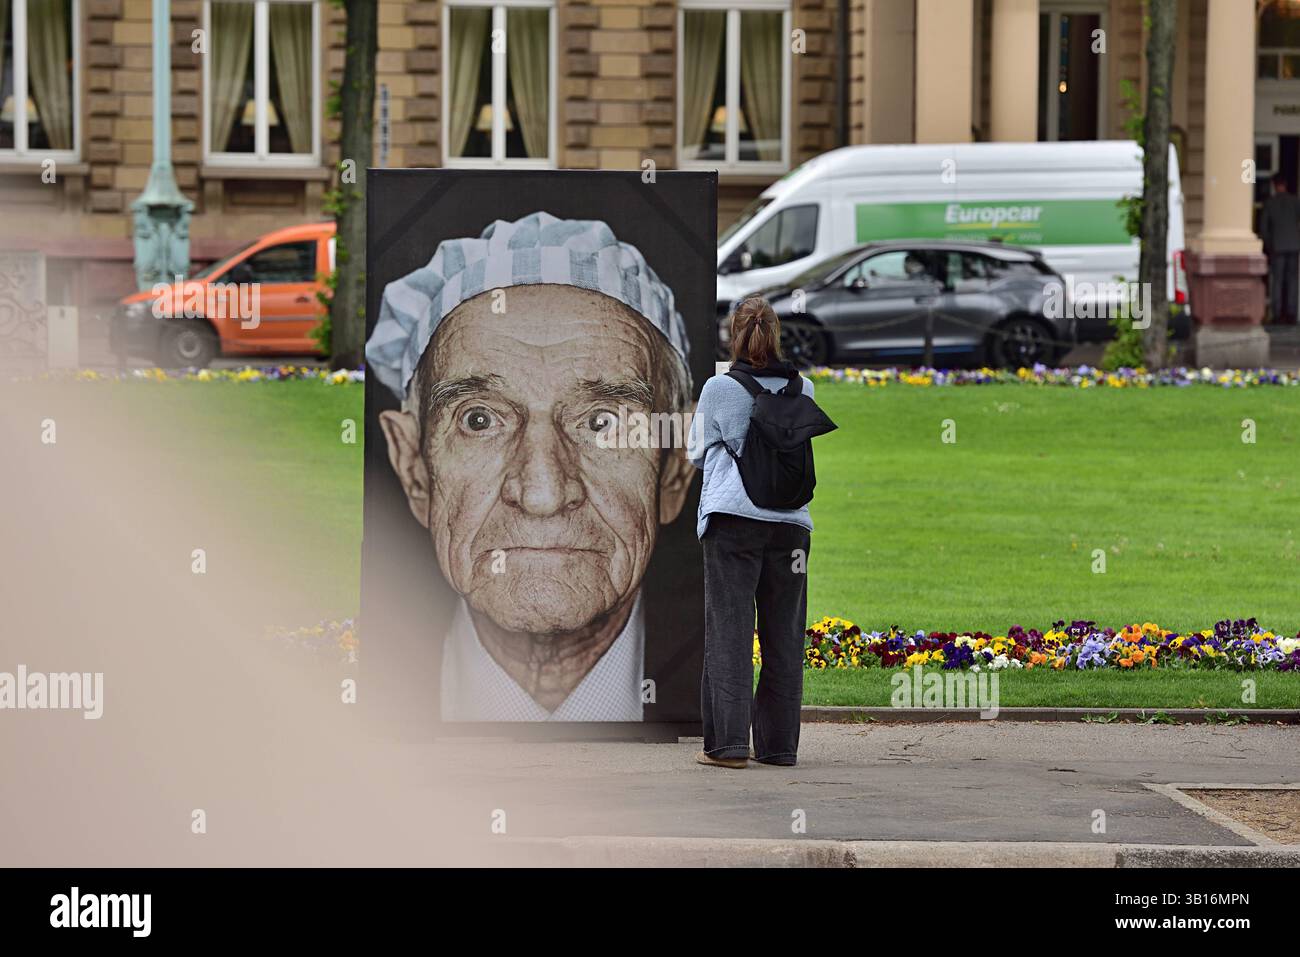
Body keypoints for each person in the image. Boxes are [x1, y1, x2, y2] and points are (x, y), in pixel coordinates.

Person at [365, 212, 696, 721]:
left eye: (603, 422)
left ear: (675, 466)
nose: (542, 492)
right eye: (479, 419)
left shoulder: (712, 687)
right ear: (413, 467)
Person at [686, 297, 814, 768]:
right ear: (776, 333)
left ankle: (728, 748)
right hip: (791, 527)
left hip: (733, 525)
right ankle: (779, 748)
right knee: (784, 639)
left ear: (733, 335)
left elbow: (696, 453)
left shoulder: (720, 388)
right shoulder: (805, 388)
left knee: (730, 635)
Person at [1259, 173, 1300, 325]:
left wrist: (1270, 245)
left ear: (1275, 186)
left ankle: (1277, 315)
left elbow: (1263, 228)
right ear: (1286, 184)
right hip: (1294, 246)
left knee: (1277, 281)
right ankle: (1291, 313)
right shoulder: (1295, 201)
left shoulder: (1270, 203)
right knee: (1292, 280)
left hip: (1277, 246)